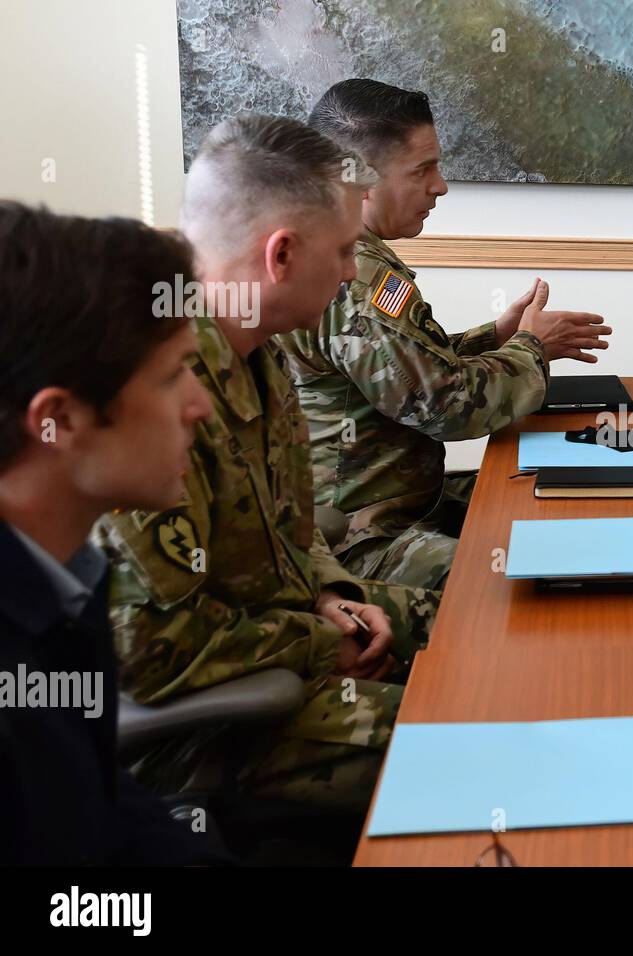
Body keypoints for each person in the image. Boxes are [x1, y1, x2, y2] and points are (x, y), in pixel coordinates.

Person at [94, 114, 435, 814]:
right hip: (203, 727)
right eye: (343, 253)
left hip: (278, 642)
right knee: (456, 743)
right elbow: (149, 648)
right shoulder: (153, 399)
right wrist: (315, 643)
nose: (351, 273)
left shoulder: (262, 352)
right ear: (280, 256)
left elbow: (294, 523)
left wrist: (328, 593)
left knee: (471, 632)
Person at [280, 78, 612, 592]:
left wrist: (498, 336)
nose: (441, 186)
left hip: (410, 504)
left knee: (559, 509)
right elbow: (446, 406)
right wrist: (531, 348)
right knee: (516, 582)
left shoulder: (341, 250)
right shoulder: (357, 275)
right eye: (422, 170)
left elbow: (407, 367)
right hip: (360, 538)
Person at [0, 202, 222, 864]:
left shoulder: (58, 582)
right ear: (60, 420)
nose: (201, 406)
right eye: (171, 375)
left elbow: (99, 803)